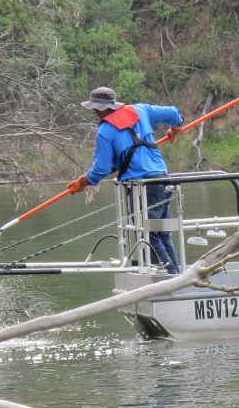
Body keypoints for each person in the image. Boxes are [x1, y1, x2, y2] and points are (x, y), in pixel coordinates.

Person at [68, 86, 184, 274]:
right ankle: (175, 274)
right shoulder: (140, 110)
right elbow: (173, 113)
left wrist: (83, 182)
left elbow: (102, 168)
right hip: (162, 178)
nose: (94, 112)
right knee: (162, 233)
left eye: (94, 109)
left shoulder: (105, 130)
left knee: (149, 234)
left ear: (98, 108)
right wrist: (177, 126)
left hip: (142, 185)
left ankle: (171, 278)